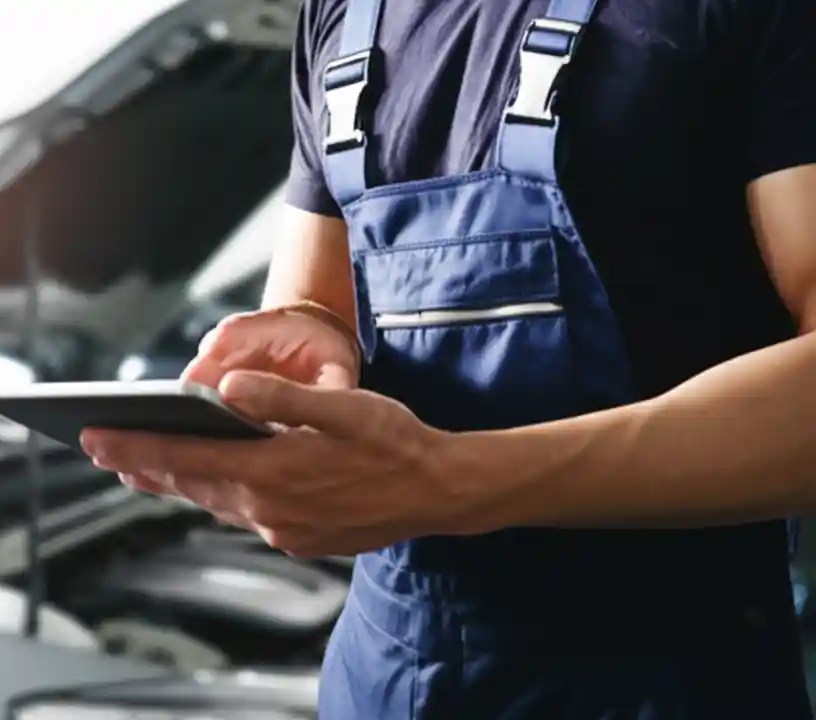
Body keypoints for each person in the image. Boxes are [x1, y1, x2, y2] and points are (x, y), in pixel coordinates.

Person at [81, 0, 816, 716]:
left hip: (668, 678)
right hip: (389, 674)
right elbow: (317, 303)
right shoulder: (341, 15)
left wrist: (455, 480)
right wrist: (311, 338)